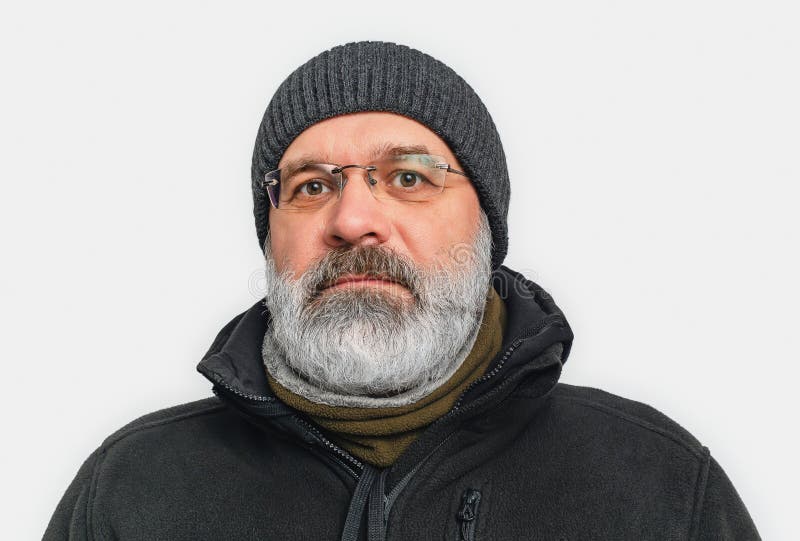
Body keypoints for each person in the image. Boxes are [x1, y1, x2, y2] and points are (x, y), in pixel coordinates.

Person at [44, 40, 760, 540]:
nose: (353, 220)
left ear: (487, 229)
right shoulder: (133, 490)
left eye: (410, 177)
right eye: (313, 185)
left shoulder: (658, 484)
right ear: (269, 236)